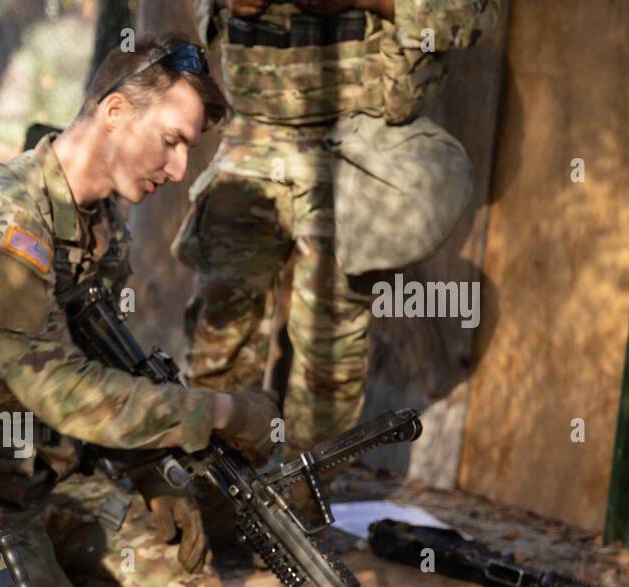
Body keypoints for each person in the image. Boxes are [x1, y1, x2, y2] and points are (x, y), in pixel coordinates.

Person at [0, 33, 278, 587]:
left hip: (46, 474)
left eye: (188, 148)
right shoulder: (10, 218)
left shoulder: (101, 227)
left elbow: (107, 363)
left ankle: (43, 576)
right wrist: (216, 412)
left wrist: (151, 473)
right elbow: (60, 389)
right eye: (172, 140)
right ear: (113, 112)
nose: (179, 168)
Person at [178, 0, 499, 455]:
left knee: (330, 362)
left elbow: (470, 17)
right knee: (218, 345)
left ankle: (300, 511)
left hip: (357, 147)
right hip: (252, 143)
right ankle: (212, 500)